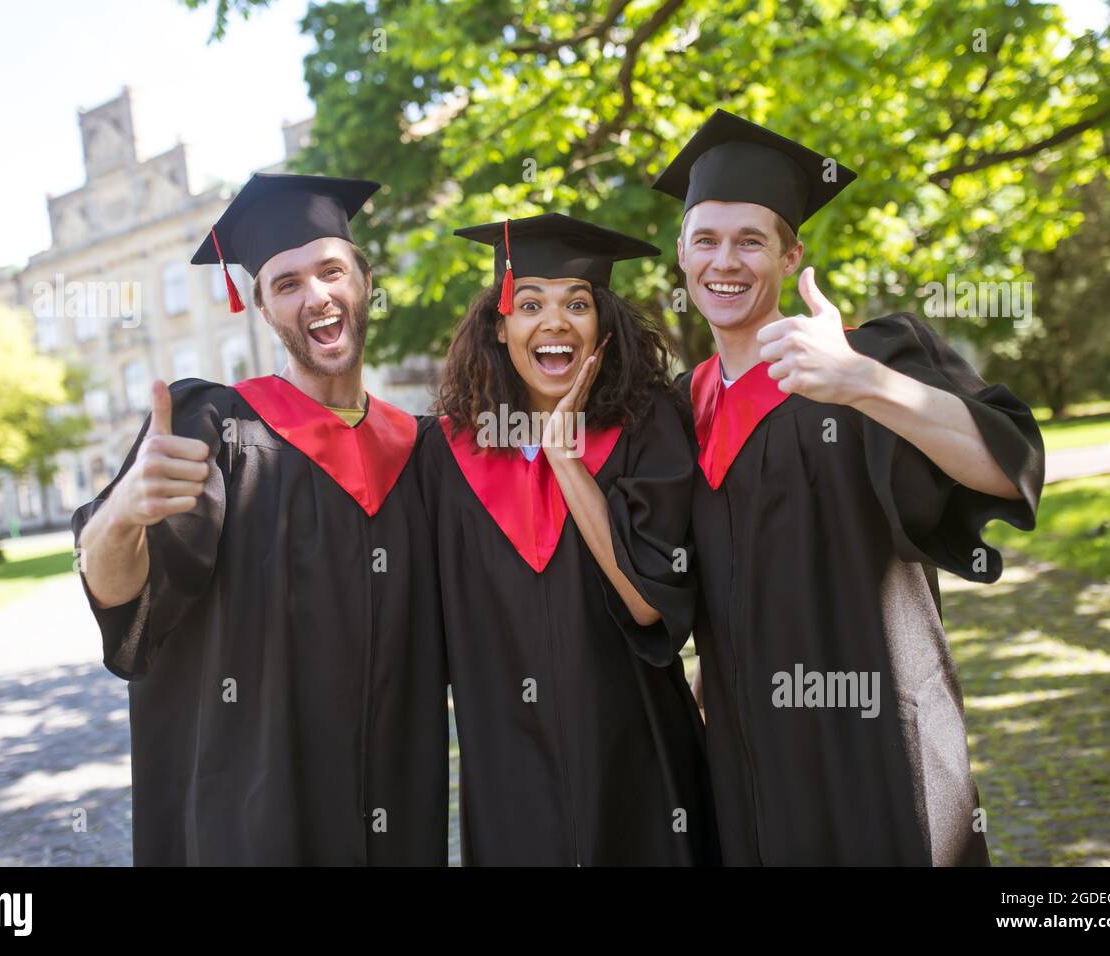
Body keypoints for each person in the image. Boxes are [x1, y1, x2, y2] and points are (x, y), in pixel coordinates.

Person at [652, 110, 1045, 865]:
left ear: (792, 253)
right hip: (751, 764)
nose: (723, 262)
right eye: (706, 239)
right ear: (681, 252)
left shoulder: (872, 356)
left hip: (880, 743)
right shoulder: (678, 408)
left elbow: (1011, 467)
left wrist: (864, 384)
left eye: (750, 240)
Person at [72, 173, 449, 865]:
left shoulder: (421, 451)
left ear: (364, 279)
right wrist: (120, 514)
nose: (317, 297)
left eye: (332, 271)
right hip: (255, 813)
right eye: (287, 283)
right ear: (262, 307)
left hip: (392, 802)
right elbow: (124, 600)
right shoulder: (211, 427)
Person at [420, 213, 719, 865]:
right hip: (508, 771)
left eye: (576, 304)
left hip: (639, 757)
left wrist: (564, 458)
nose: (553, 322)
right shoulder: (443, 455)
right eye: (529, 304)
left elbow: (649, 603)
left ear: (602, 331)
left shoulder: (650, 428)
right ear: (501, 328)